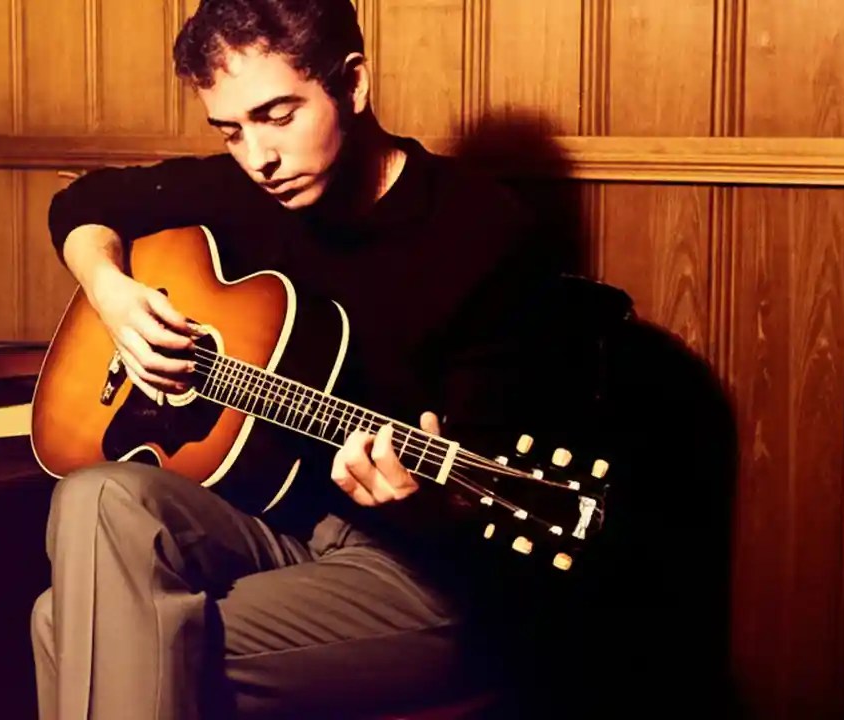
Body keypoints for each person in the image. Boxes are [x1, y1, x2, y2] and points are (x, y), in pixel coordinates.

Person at [30, 1, 597, 718]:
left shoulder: (482, 231)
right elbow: (83, 203)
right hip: (278, 525)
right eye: (230, 130)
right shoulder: (238, 190)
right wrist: (111, 292)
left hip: (418, 574)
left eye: (278, 116)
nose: (258, 158)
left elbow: (490, 478)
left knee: (68, 625)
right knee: (95, 495)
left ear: (353, 84)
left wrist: (423, 495)